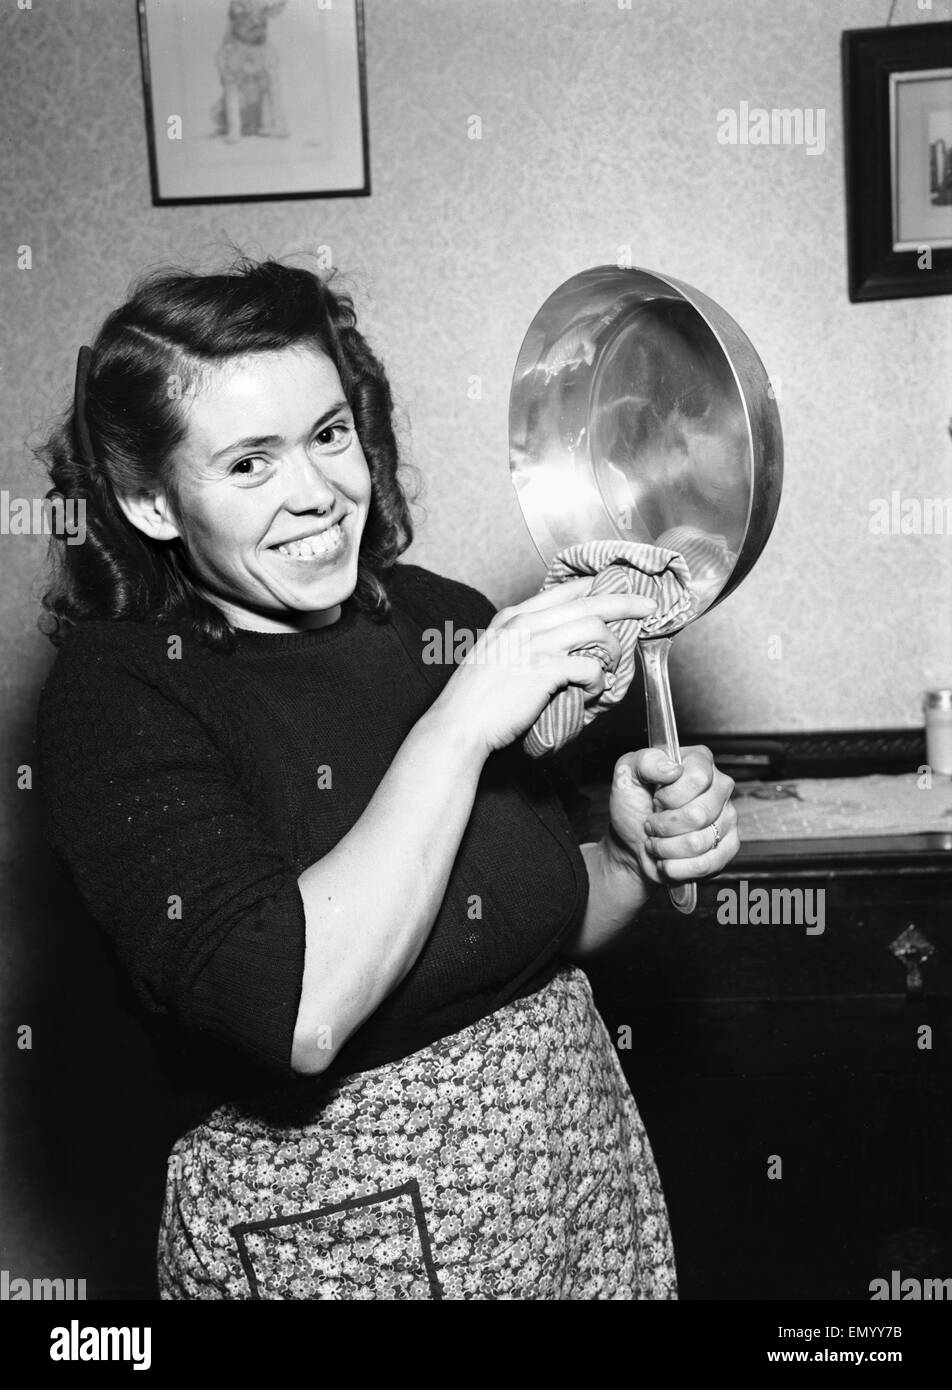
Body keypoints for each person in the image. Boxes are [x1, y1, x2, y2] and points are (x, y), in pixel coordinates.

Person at [35, 256, 738, 1301]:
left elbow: (516, 922)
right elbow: (300, 1012)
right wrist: (458, 724)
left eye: (328, 435)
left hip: (573, 1186)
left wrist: (627, 857)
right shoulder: (118, 697)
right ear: (148, 501)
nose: (317, 492)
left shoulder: (428, 612)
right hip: (348, 1241)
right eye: (247, 464)